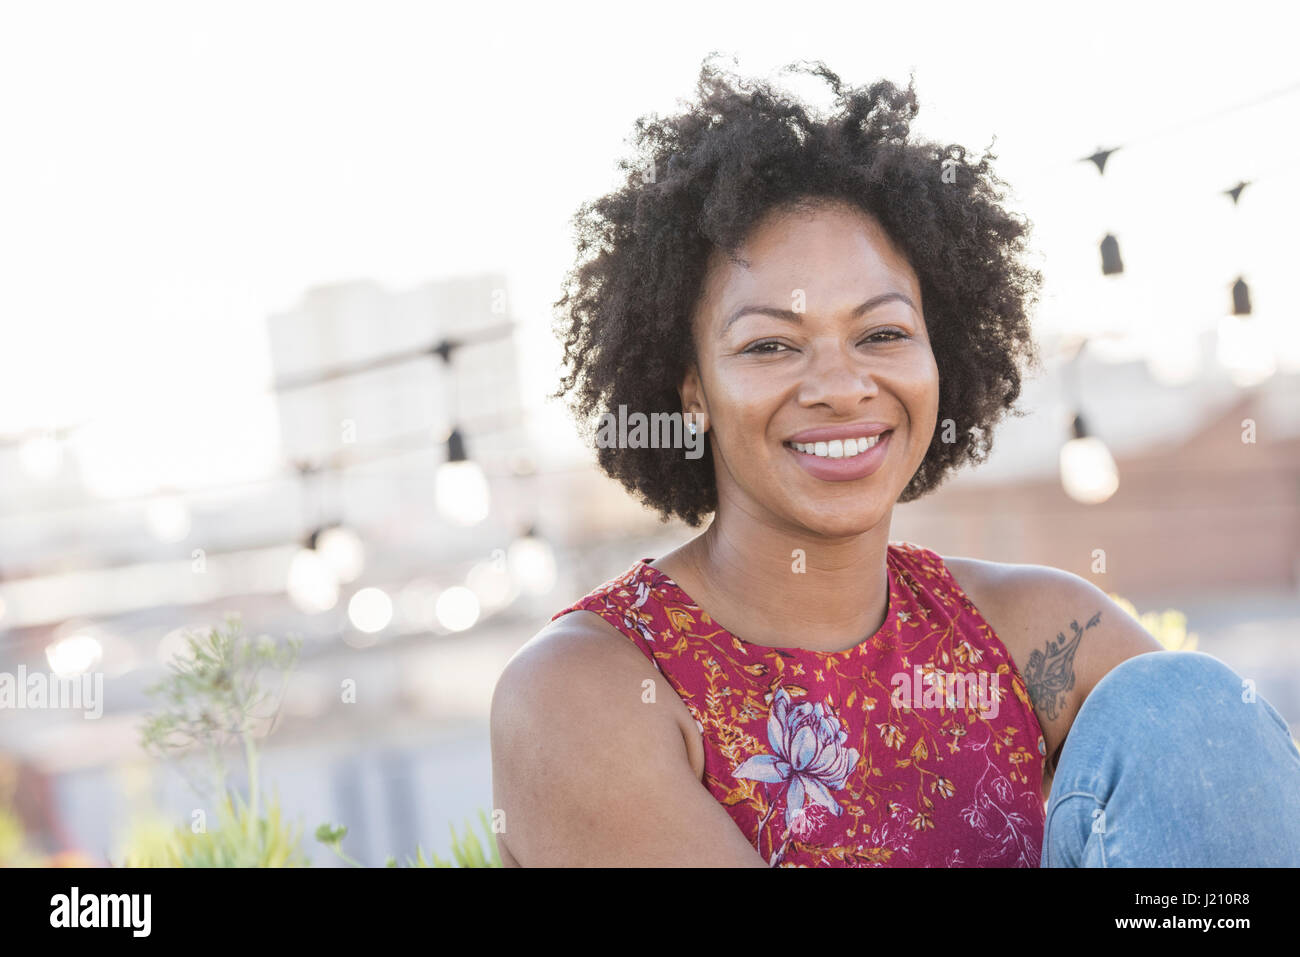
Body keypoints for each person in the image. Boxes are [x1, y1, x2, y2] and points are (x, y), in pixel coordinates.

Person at [489, 56, 1300, 867]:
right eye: (770, 345)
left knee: (1188, 704)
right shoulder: (587, 688)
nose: (842, 388)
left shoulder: (1032, 633)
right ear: (690, 389)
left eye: (882, 334)